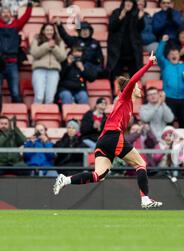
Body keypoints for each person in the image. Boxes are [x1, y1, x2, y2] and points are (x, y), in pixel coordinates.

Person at [53, 52, 163, 209]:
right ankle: (145, 198)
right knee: (140, 164)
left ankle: (66, 180)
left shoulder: (128, 105)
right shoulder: (124, 97)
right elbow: (133, 79)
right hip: (112, 136)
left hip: (103, 140)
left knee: (99, 175)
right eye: (137, 87)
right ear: (131, 89)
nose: (139, 88)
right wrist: (149, 64)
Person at [156, 35, 184, 128]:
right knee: (169, 123)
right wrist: (163, 42)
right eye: (172, 54)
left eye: (176, 53)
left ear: (179, 55)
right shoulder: (165, 64)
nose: (174, 55)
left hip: (183, 98)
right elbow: (158, 55)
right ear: (168, 56)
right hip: (169, 98)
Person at [108, 0, 145, 93]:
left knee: (135, 77)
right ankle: (114, 96)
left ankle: (133, 97)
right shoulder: (117, 12)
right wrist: (120, 17)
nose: (128, 4)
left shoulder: (137, 13)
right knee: (114, 76)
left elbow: (140, 29)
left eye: (131, 2)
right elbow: (111, 27)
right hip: (118, 53)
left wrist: (140, 19)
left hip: (132, 53)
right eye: (127, 2)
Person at [0, 0, 32, 103]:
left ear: (11, 14)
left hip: (12, 63)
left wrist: (30, 5)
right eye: (3, 12)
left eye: (7, 12)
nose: (5, 14)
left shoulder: (16, 24)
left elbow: (26, 17)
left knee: (15, 92)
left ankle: (17, 113)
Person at [30, 23, 66, 104]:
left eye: (51, 30)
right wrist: (46, 46)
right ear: (43, 31)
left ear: (54, 31)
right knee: (39, 96)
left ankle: (47, 116)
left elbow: (62, 57)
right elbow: (34, 53)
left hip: (54, 71)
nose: (49, 32)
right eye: (47, 30)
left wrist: (54, 47)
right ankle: (36, 115)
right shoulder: (37, 39)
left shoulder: (59, 41)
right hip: (39, 70)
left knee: (50, 98)